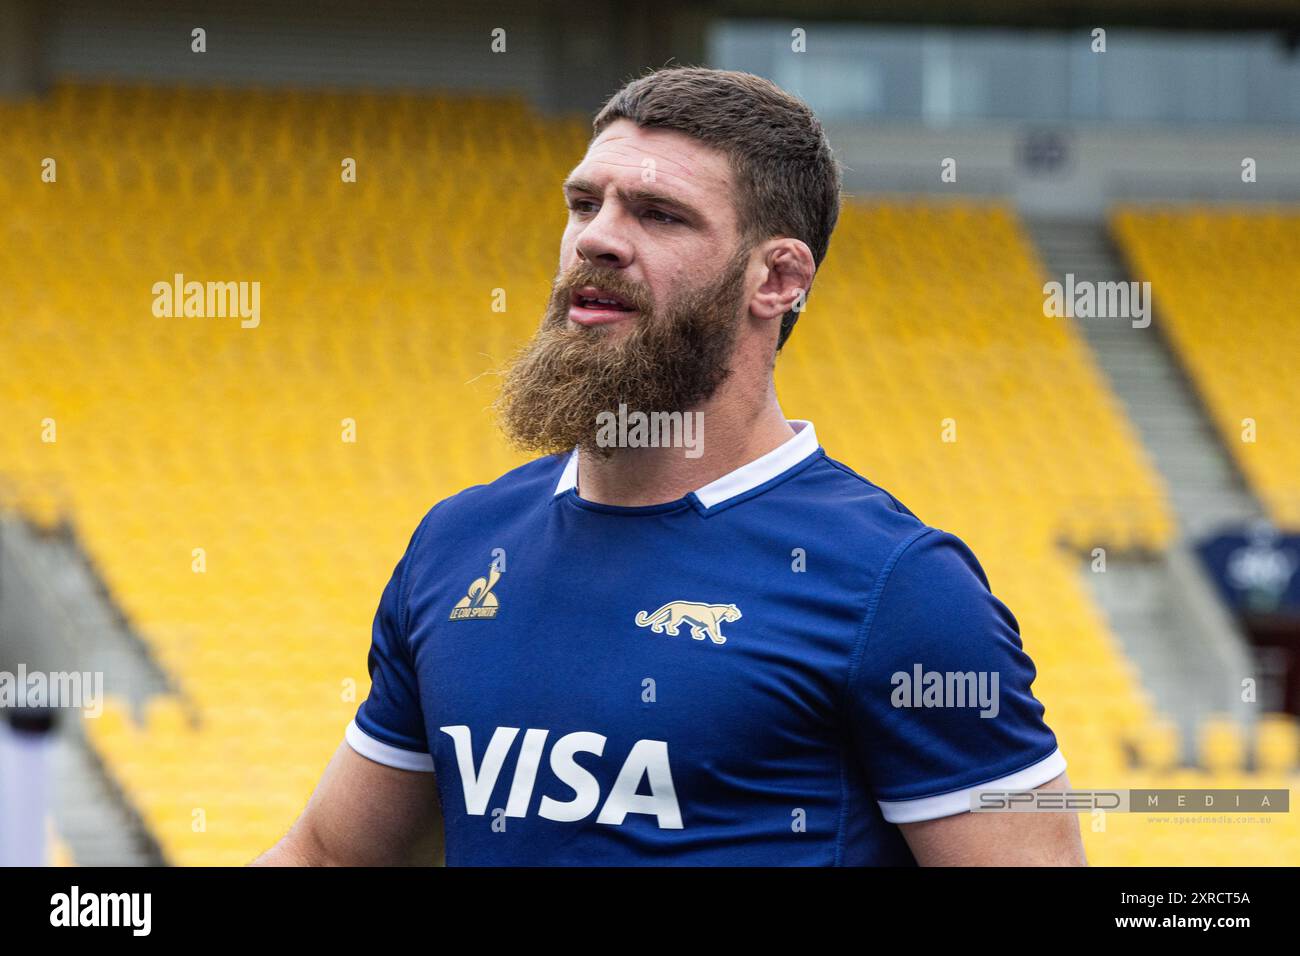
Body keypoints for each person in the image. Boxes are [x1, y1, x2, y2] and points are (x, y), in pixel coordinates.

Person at [254, 66, 1085, 866]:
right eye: (585, 203)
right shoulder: (460, 543)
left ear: (778, 277)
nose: (599, 239)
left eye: (658, 214)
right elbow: (330, 856)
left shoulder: (898, 588)